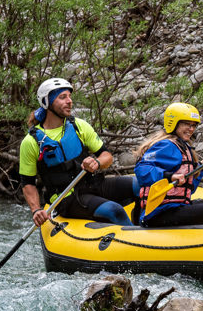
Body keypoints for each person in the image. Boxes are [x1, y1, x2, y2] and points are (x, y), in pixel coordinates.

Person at [19, 77, 137, 227]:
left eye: (69, 96)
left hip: (93, 184)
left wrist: (97, 162)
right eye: (62, 97)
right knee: (114, 210)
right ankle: (137, 243)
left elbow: (106, 155)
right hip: (66, 198)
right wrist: (36, 210)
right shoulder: (31, 142)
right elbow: (27, 183)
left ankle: (146, 226)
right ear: (46, 102)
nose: (69, 101)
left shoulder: (79, 126)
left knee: (139, 185)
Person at [134, 102, 203, 227]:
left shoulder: (183, 147)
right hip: (159, 213)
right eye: (187, 124)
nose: (191, 129)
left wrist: (200, 170)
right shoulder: (167, 145)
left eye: (193, 125)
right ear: (174, 123)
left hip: (175, 207)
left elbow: (187, 190)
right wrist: (169, 176)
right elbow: (141, 170)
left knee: (201, 203)